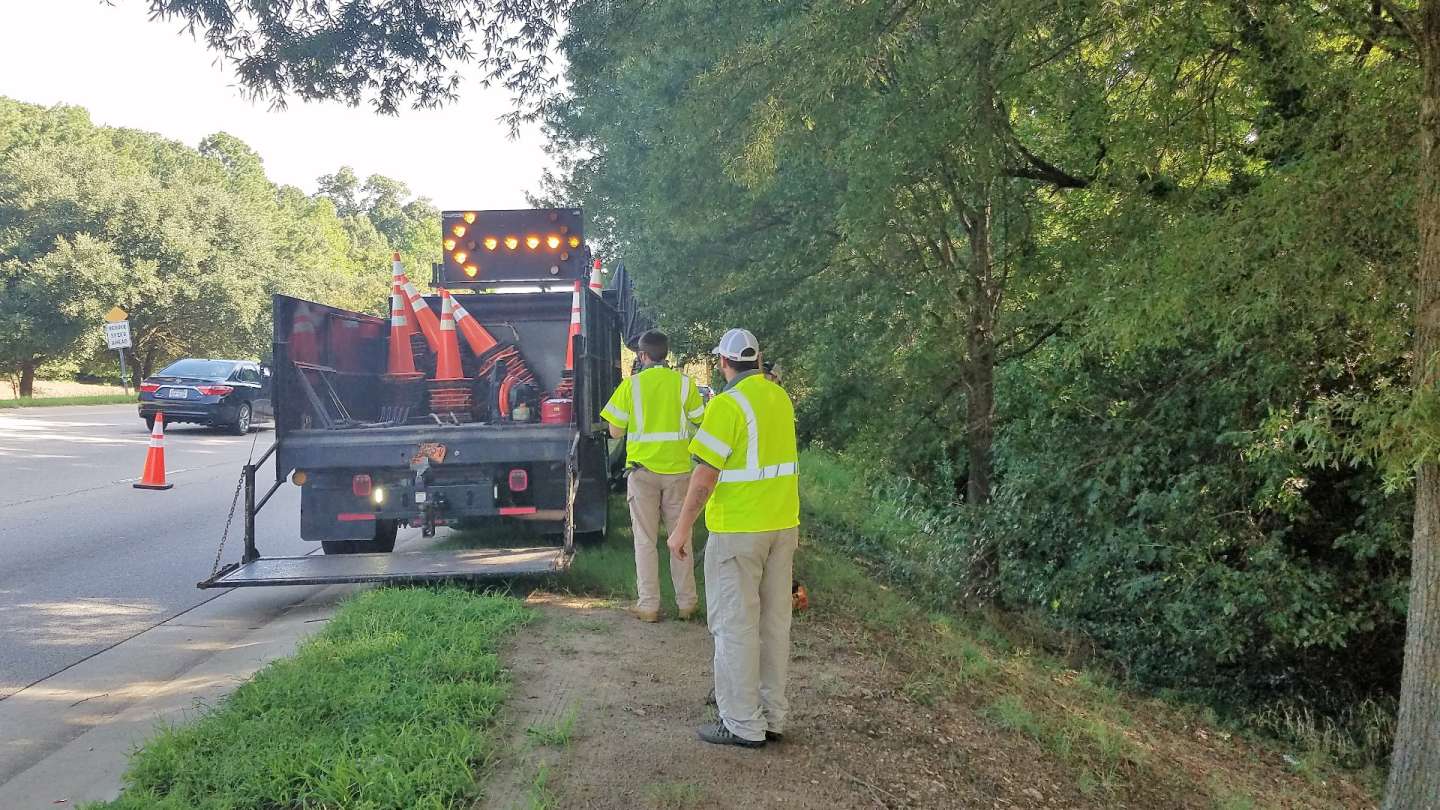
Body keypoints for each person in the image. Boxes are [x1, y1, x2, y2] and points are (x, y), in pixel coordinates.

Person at [667, 328, 800, 748]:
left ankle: (742, 723)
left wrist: (682, 527)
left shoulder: (727, 406)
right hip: (782, 526)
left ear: (723, 363)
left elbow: (704, 475)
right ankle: (772, 715)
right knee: (774, 623)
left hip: (739, 531)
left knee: (734, 625)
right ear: (757, 361)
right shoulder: (779, 397)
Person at [601, 330, 707, 622]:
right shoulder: (685, 385)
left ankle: (649, 605)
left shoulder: (631, 386)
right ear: (666, 354)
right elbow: (702, 421)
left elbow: (615, 431)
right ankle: (687, 603)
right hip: (678, 473)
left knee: (644, 540)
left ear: (642, 355)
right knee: (680, 537)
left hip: (643, 473)